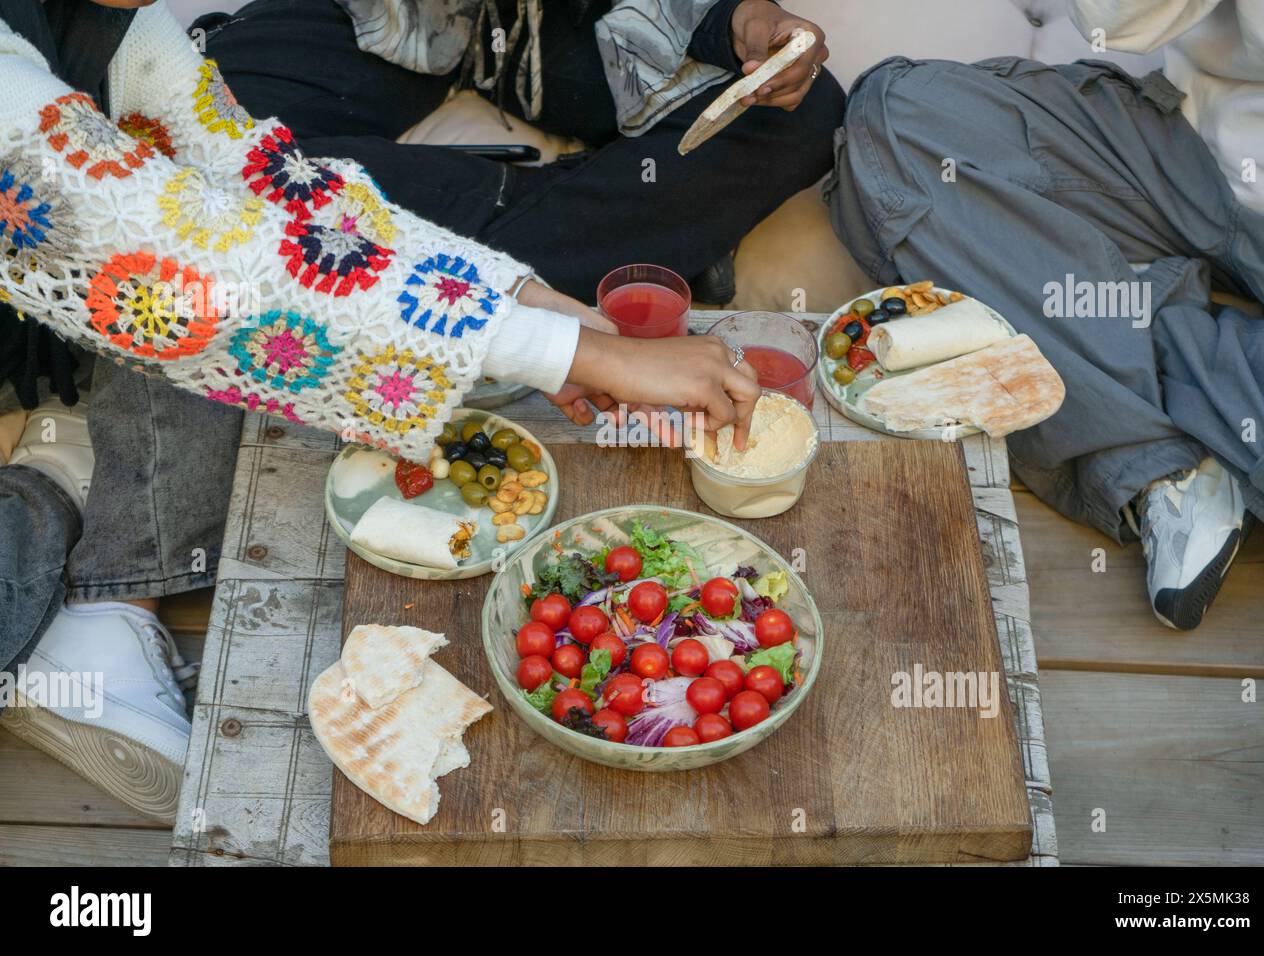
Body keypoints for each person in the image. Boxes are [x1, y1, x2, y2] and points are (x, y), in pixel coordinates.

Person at [0, 0, 762, 818]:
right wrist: (583, 355)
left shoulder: (115, 26)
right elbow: (186, 258)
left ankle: (82, 564)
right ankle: (57, 531)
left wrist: (540, 304)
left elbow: (275, 194)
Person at [827, 0, 1264, 631]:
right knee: (898, 111)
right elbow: (1123, 16)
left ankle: (1151, 341)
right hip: (1180, 156)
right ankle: (1158, 451)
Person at [192, 0, 843, 302]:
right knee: (198, 140)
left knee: (800, 110)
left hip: (560, 27)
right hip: (386, 16)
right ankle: (602, 238)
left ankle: (507, 249)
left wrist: (748, 18)